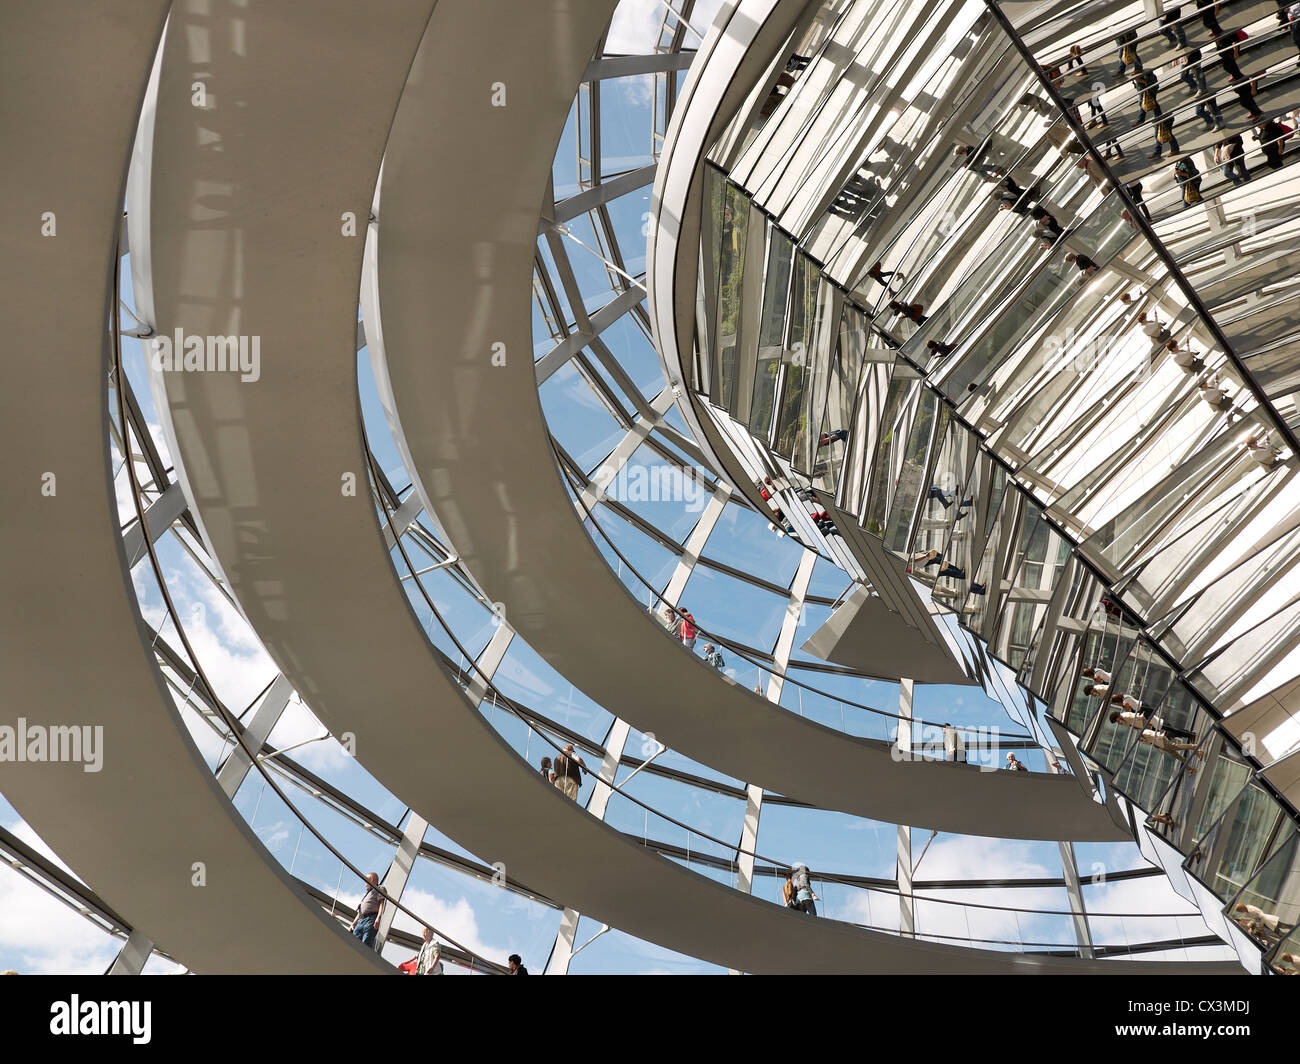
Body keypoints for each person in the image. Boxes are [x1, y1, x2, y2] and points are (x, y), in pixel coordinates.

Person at [349, 873, 384, 949]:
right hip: (361, 920)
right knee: (353, 943)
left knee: (366, 944)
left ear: (371, 880)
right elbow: (361, 911)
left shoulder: (379, 888)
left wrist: (378, 918)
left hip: (370, 919)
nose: (365, 884)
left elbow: (382, 904)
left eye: (366, 881)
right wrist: (353, 924)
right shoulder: (368, 894)